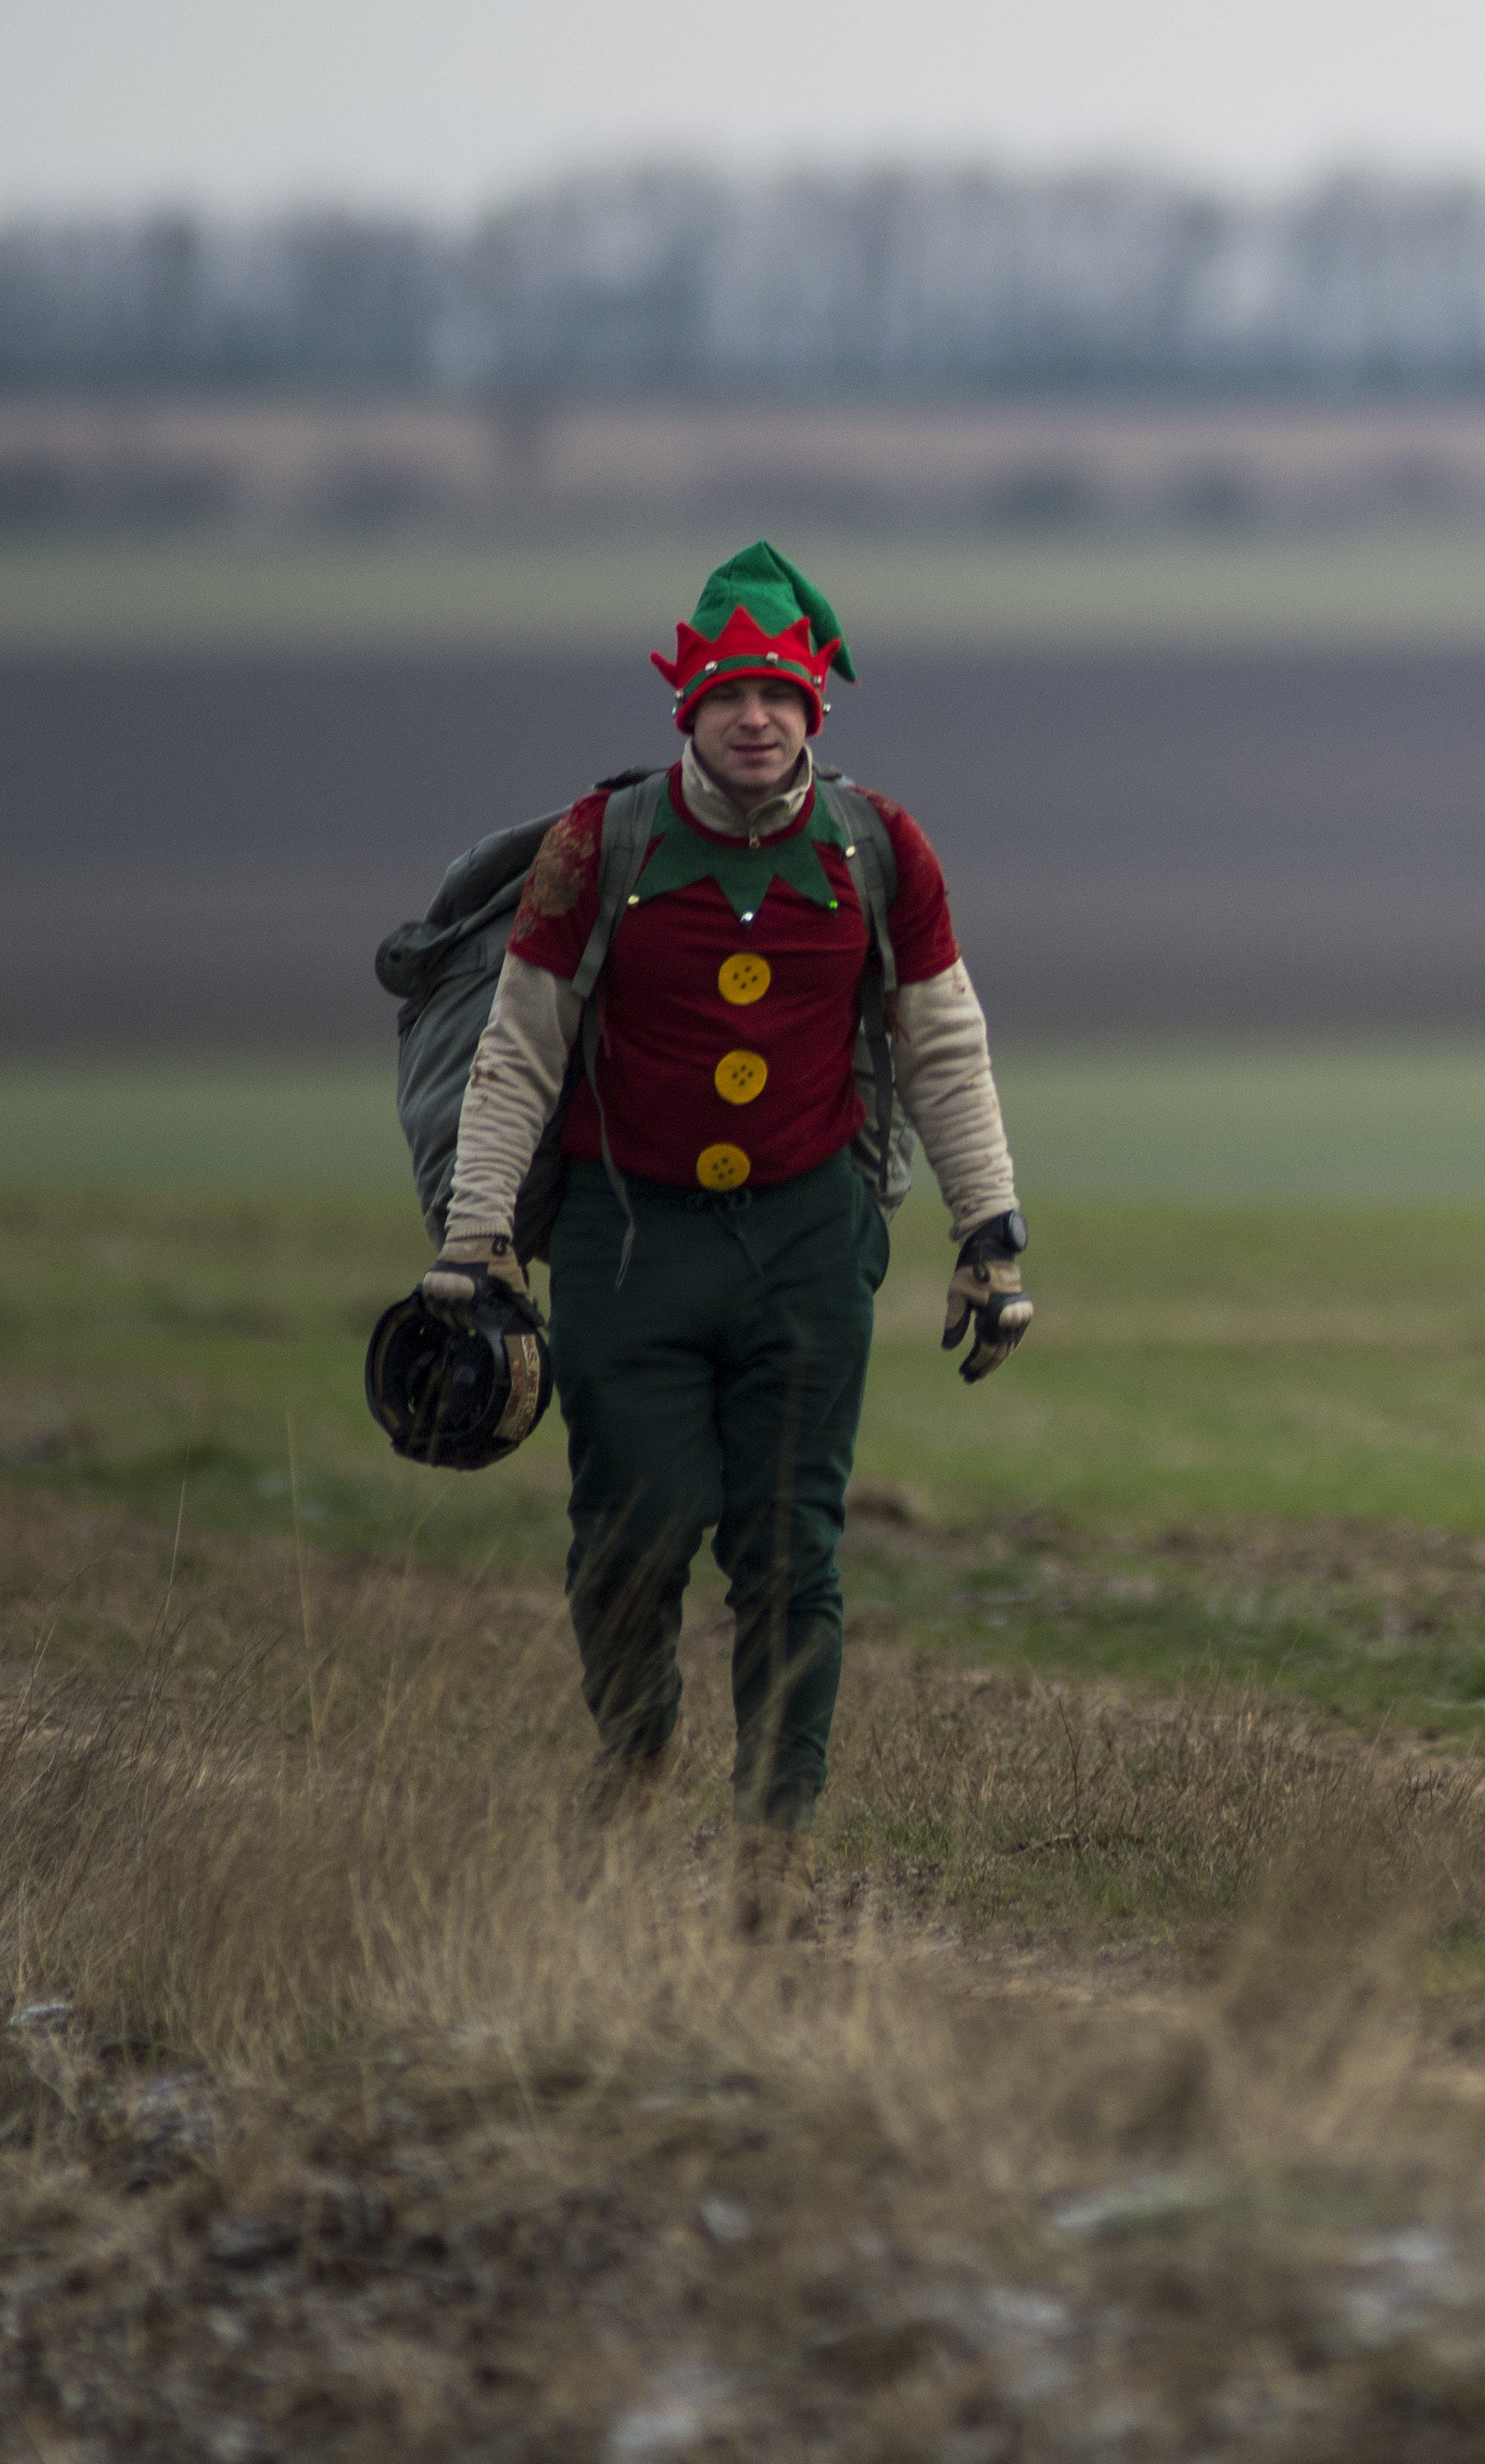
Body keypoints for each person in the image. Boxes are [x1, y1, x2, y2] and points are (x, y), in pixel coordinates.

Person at [419, 543, 1032, 1928]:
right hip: (629, 1245)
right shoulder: (600, 846)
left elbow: (943, 1043)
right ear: (682, 710)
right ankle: (634, 1752)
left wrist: (991, 1233)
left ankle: (775, 1843)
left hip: (811, 1240)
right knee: (631, 1534)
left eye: (779, 696)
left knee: (788, 1545)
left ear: (818, 712)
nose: (755, 718)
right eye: (727, 696)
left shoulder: (884, 850)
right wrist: (479, 1243)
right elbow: (517, 1054)